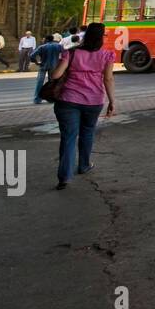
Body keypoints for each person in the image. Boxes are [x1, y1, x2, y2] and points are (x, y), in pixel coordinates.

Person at [48, 22, 116, 190]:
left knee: (68, 137)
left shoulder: (71, 53)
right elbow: (108, 79)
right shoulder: (107, 55)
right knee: (87, 133)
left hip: (68, 101)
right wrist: (112, 101)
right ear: (101, 38)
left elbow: (56, 74)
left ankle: (64, 177)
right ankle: (84, 165)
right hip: (93, 101)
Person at [31, 33, 65, 104]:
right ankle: (50, 98)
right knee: (52, 82)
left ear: (46, 39)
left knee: (40, 82)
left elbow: (32, 56)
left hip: (43, 65)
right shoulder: (59, 46)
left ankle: (37, 99)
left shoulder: (42, 47)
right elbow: (64, 55)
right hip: (54, 66)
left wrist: (37, 62)